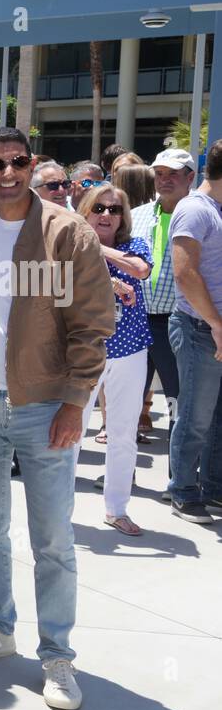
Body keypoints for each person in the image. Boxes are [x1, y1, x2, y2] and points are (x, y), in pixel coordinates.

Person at [0, 127, 115, 710]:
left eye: (19, 162)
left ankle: (58, 656)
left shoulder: (66, 231)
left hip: (44, 405)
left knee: (53, 538)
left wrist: (75, 402)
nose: (9, 173)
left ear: (33, 164)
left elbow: (94, 322)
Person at [74, 184, 152, 536]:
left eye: (114, 210)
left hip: (129, 350)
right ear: (87, 209)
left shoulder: (134, 245)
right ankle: (59, 512)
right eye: (100, 208)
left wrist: (97, 247)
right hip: (83, 350)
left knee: (123, 432)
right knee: (71, 432)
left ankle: (116, 509)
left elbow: (139, 269)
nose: (107, 215)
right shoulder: (70, 244)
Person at [166, 140, 222, 525]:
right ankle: (183, 491)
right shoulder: (193, 210)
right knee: (195, 415)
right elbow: (185, 275)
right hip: (200, 328)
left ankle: (214, 488)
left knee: (216, 416)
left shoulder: (215, 210)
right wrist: (217, 325)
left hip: (214, 329)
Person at [131, 148, 195, 444]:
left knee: (177, 401)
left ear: (190, 178)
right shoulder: (137, 216)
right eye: (159, 174)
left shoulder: (202, 216)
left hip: (177, 322)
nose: (165, 180)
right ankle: (120, 477)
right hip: (135, 320)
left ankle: (177, 476)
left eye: (173, 174)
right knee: (127, 402)